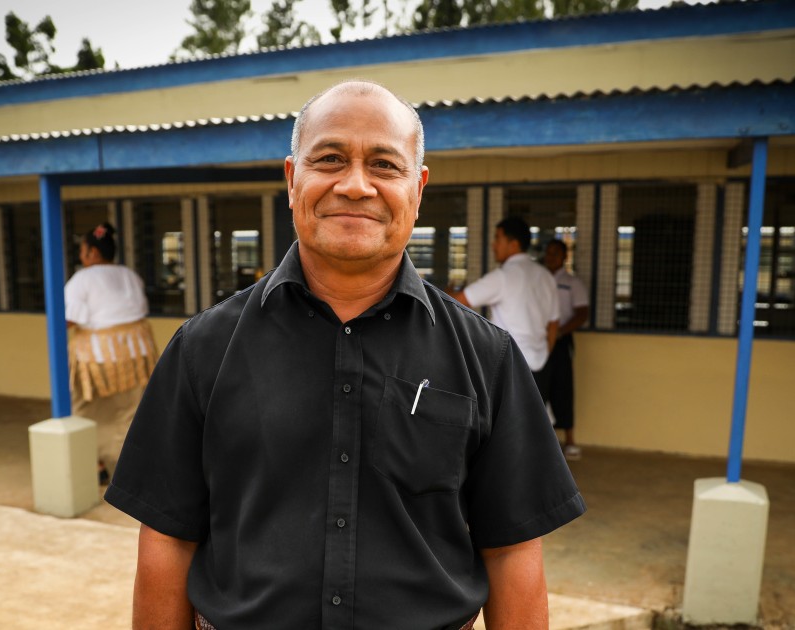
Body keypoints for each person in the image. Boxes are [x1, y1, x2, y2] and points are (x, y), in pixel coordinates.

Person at [105, 80, 584, 630]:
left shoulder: (488, 359)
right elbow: (167, 542)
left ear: (418, 189)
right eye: (329, 159)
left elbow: (513, 552)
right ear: (292, 179)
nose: (355, 186)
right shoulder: (202, 350)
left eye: (384, 165)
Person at [63, 222, 157, 485]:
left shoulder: (82, 279)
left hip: (99, 361)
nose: (81, 256)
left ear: (92, 253)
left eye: (82, 251)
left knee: (87, 413)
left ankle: (95, 465)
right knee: (130, 413)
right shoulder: (129, 275)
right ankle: (129, 471)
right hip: (136, 356)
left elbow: (67, 319)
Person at [448, 216, 561, 401]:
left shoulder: (503, 277)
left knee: (506, 427)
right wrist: (545, 352)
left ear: (514, 244)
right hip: (540, 365)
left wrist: (447, 292)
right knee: (535, 427)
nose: (493, 245)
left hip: (510, 368)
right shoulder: (546, 276)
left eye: (498, 239)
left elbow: (458, 301)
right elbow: (554, 322)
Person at [540, 239, 590, 460]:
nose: (550, 257)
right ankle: (541, 439)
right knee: (540, 385)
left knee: (563, 387)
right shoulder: (538, 279)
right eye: (548, 253)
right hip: (538, 340)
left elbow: (582, 313)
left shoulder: (572, 282)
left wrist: (560, 332)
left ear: (564, 257)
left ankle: (570, 441)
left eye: (555, 253)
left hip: (560, 341)